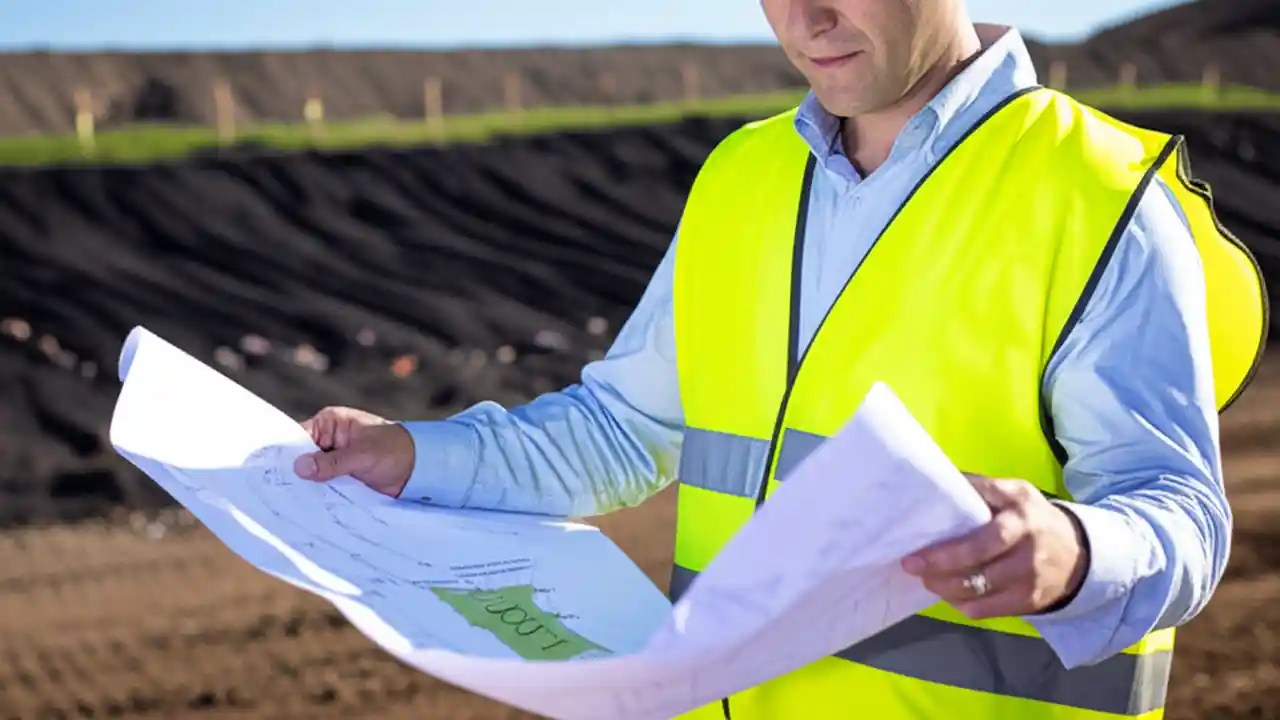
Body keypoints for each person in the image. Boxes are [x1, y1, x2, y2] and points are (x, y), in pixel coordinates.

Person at [293, 1, 1268, 717]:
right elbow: (621, 429)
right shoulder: (741, 178)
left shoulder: (1096, 195)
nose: (804, 18)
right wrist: (417, 454)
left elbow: (1177, 513)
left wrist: (1071, 550)